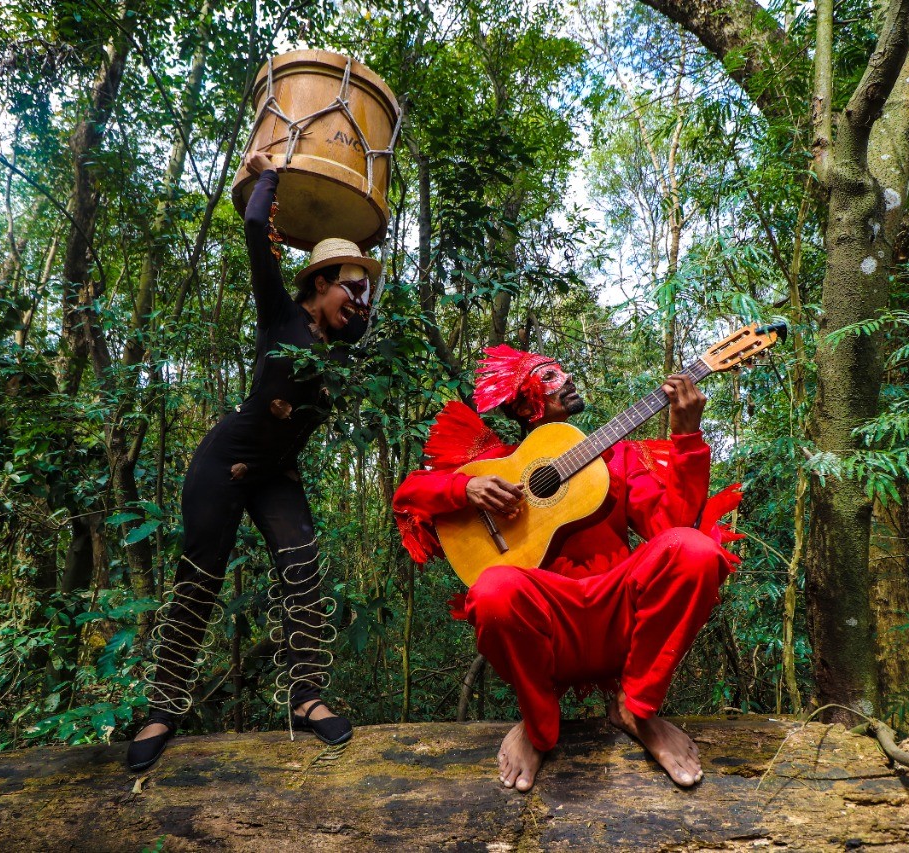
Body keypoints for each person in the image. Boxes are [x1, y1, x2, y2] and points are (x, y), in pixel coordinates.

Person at [392, 345, 741, 791]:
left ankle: (637, 707)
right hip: (547, 627)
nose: (568, 378)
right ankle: (539, 726)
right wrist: (465, 487)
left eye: (563, 371)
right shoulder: (494, 464)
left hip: (620, 614)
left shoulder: (619, 457)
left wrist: (688, 438)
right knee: (493, 589)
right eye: (551, 376)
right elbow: (409, 493)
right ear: (523, 400)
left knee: (695, 551)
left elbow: (672, 528)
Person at [128, 152, 378, 772]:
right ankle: (161, 711)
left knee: (303, 568)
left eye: (368, 295)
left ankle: (306, 700)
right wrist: (268, 173)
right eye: (352, 288)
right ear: (319, 283)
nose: (362, 303)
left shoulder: (341, 355)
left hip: (277, 476)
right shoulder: (281, 315)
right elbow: (255, 231)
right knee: (201, 577)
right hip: (225, 463)